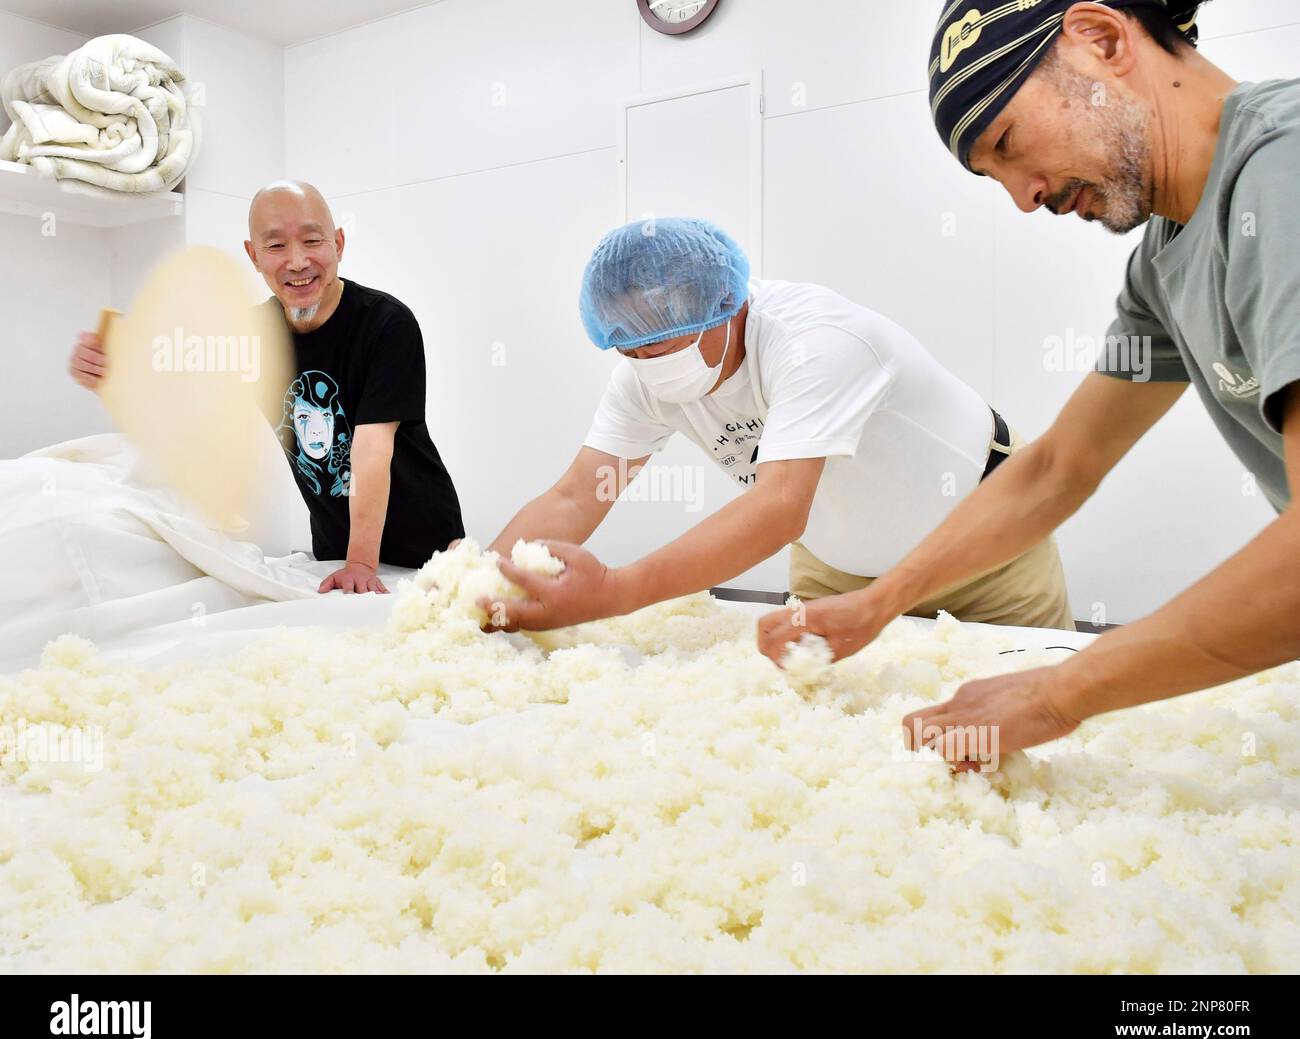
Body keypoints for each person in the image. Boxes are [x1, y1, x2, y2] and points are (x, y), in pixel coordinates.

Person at [758, 0, 1300, 767]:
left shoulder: (1282, 170)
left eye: (1009, 143)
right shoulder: (1164, 262)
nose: (1025, 197)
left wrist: (1058, 694)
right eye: (996, 177)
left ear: (1102, 38)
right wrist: (881, 602)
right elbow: (1055, 468)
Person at [480, 217, 1073, 633]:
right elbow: (577, 492)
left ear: (729, 306)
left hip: (984, 548)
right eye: (632, 351)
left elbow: (779, 507)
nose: (652, 366)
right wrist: (481, 579)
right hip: (835, 569)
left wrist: (615, 592)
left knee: (1027, 724)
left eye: (669, 344)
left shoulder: (815, 343)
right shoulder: (641, 381)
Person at [69, 180, 465, 593]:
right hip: (333, 555)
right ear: (253, 256)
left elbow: (371, 450)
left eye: (312, 240)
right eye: (275, 247)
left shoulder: (387, 324)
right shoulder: (253, 338)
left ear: (339, 244)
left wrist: (362, 563)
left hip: (429, 551)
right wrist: (107, 377)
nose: (297, 262)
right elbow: (186, 415)